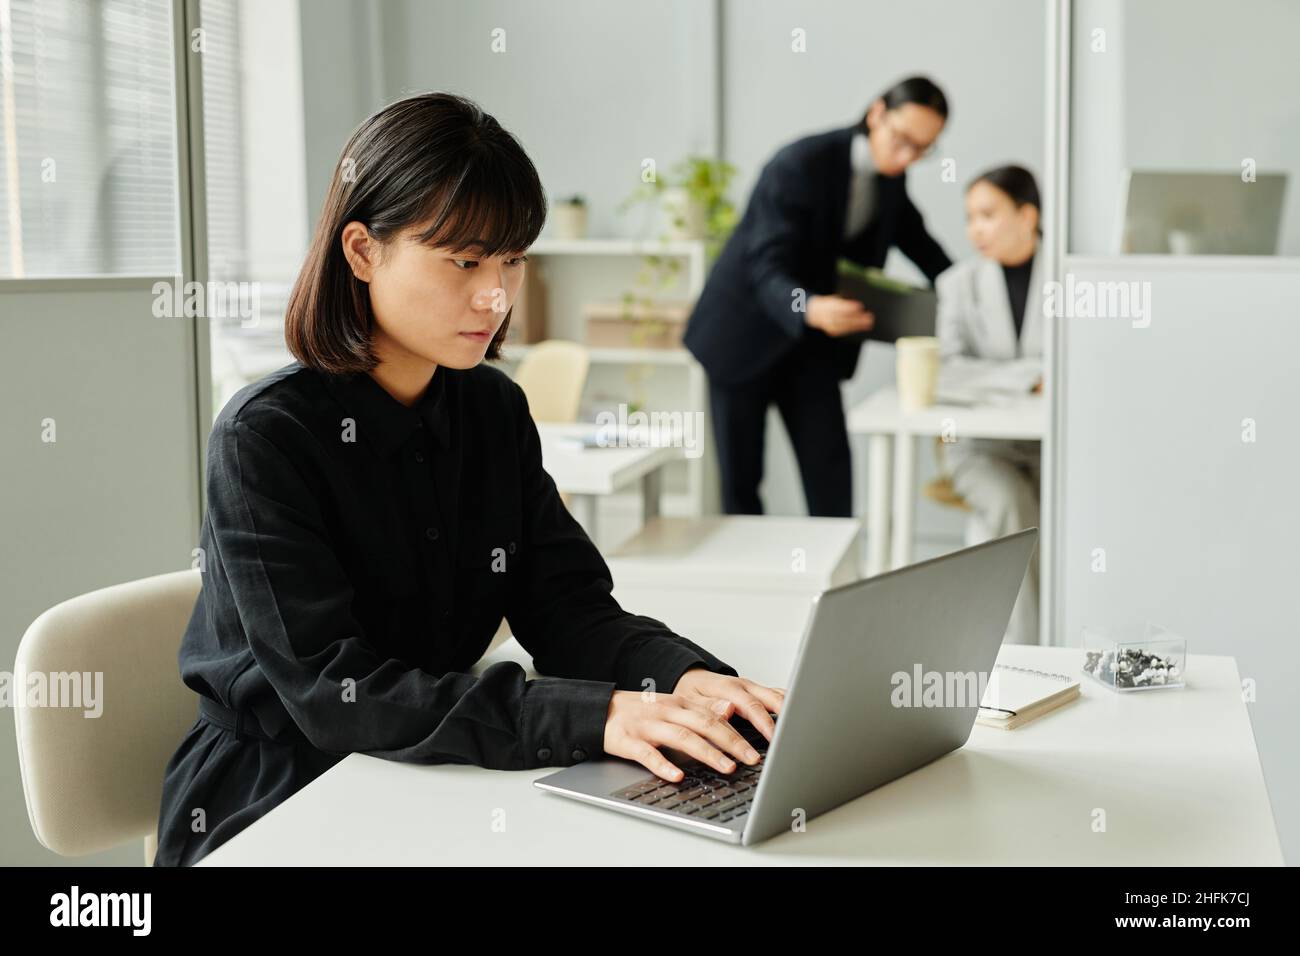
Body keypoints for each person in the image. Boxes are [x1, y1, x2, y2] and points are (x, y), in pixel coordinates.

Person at [154, 93, 785, 866]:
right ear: (362, 252)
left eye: (512, 259)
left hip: (437, 771)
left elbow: (566, 609)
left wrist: (684, 682)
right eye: (464, 261)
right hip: (281, 794)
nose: (496, 294)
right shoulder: (265, 438)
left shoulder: (491, 406)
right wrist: (598, 716)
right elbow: (335, 693)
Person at [683, 76, 953, 517]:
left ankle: (837, 585)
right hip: (743, 334)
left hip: (812, 346)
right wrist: (808, 306)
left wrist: (972, 294)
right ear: (876, 113)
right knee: (741, 489)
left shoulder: (891, 182)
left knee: (831, 478)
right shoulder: (800, 164)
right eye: (902, 139)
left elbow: (923, 246)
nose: (907, 157)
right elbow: (765, 266)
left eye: (922, 149)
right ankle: (756, 585)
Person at [935, 164, 1044, 645]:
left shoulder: (1071, 278)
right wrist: (1032, 375)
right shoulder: (957, 284)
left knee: (1077, 513)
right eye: (970, 217)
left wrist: (997, 380)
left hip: (1053, 449)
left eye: (987, 215)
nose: (974, 229)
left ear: (1027, 215)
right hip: (981, 448)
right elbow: (950, 372)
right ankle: (1025, 653)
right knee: (1010, 506)